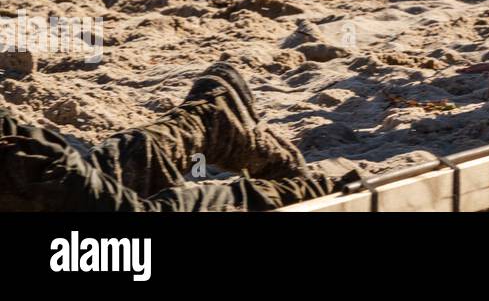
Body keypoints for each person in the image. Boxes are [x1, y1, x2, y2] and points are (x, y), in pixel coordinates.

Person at [0, 62, 338, 211]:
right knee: (106, 176)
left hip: (27, 171)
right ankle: (210, 120)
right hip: (28, 172)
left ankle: (301, 193)